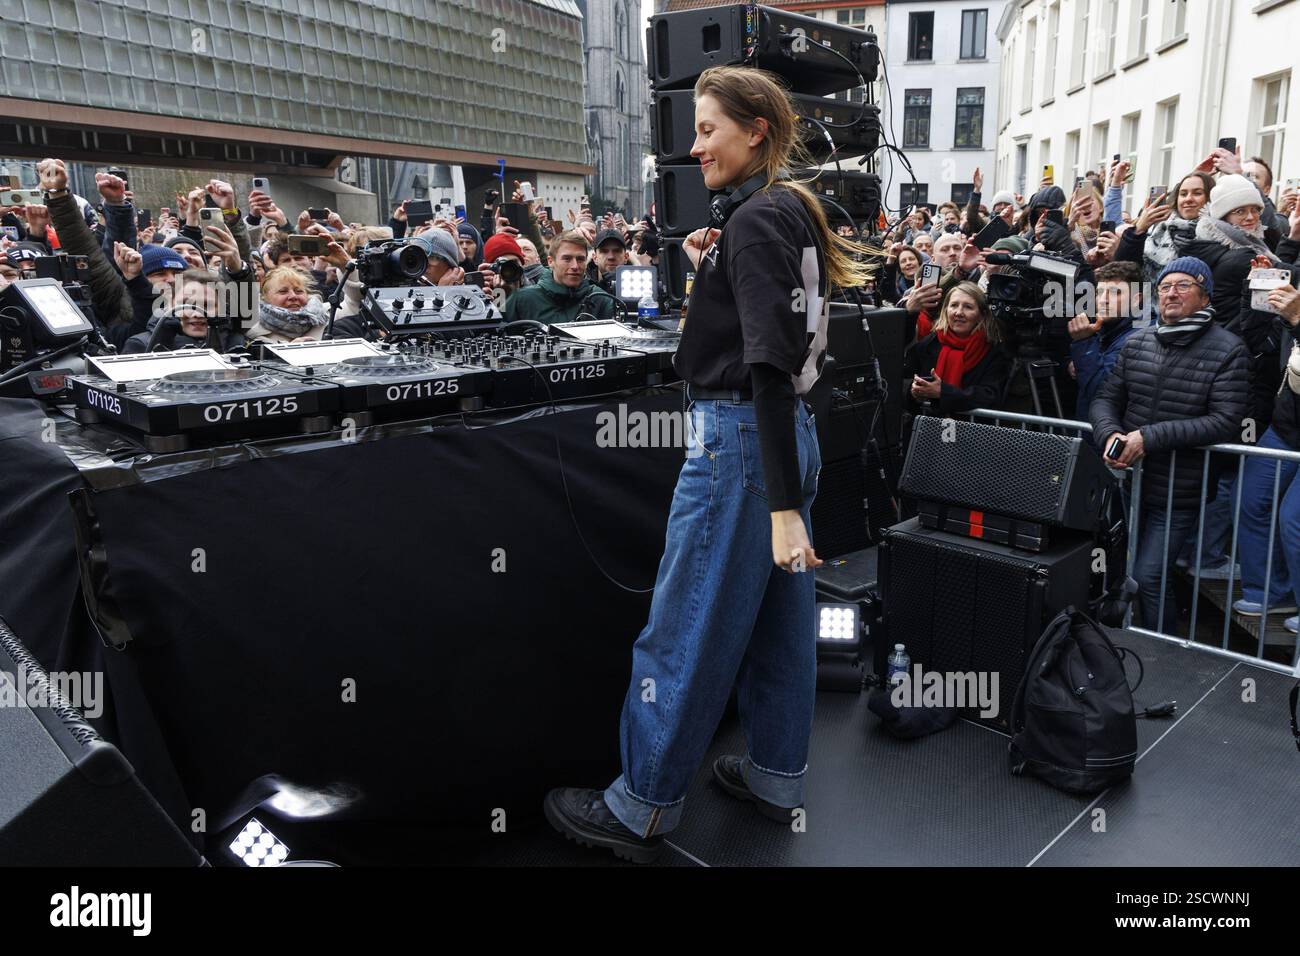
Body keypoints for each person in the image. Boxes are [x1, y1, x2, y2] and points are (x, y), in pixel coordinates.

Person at [544, 64, 871, 863]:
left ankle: (642, 805)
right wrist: (716, 261)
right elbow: (780, 341)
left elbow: (761, 361)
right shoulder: (786, 211)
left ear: (755, 131)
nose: (695, 148)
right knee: (778, 628)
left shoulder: (757, 221)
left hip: (742, 445)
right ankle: (775, 777)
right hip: (784, 436)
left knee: (684, 629)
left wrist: (781, 506)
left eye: (707, 130)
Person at [1090, 257, 1249, 631]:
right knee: (1121, 569)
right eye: (1165, 286)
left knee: (1149, 576)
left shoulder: (1229, 349)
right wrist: (1110, 433)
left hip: (1180, 488)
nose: (1171, 293)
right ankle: (1126, 645)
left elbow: (1225, 422)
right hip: (1130, 482)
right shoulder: (1139, 341)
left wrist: (1149, 437)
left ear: (1205, 295)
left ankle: (1164, 654)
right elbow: (1105, 400)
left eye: (1183, 285)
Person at [1233, 283, 1300, 628]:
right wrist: (1253, 287)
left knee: (1293, 519)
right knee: (1251, 500)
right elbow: (1259, 338)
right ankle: (1269, 592)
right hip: (1287, 427)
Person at [903, 281, 1010, 417]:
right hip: (929, 430)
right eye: (954, 305)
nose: (959, 312)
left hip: (972, 433)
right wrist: (914, 393)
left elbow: (989, 396)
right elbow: (906, 379)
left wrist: (943, 392)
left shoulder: (993, 350)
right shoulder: (930, 343)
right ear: (946, 310)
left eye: (968, 307)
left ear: (981, 314)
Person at [1068, 261, 1141, 421]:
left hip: (1111, 438)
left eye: (1115, 292)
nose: (1103, 300)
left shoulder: (1139, 337)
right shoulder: (1108, 327)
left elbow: (1101, 393)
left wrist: (1084, 343)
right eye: (1099, 292)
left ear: (1137, 299)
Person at [502, 230, 620, 325]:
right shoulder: (522, 299)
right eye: (567, 259)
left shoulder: (600, 299)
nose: (575, 266)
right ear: (550, 261)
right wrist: (499, 292)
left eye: (580, 259)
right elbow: (495, 329)